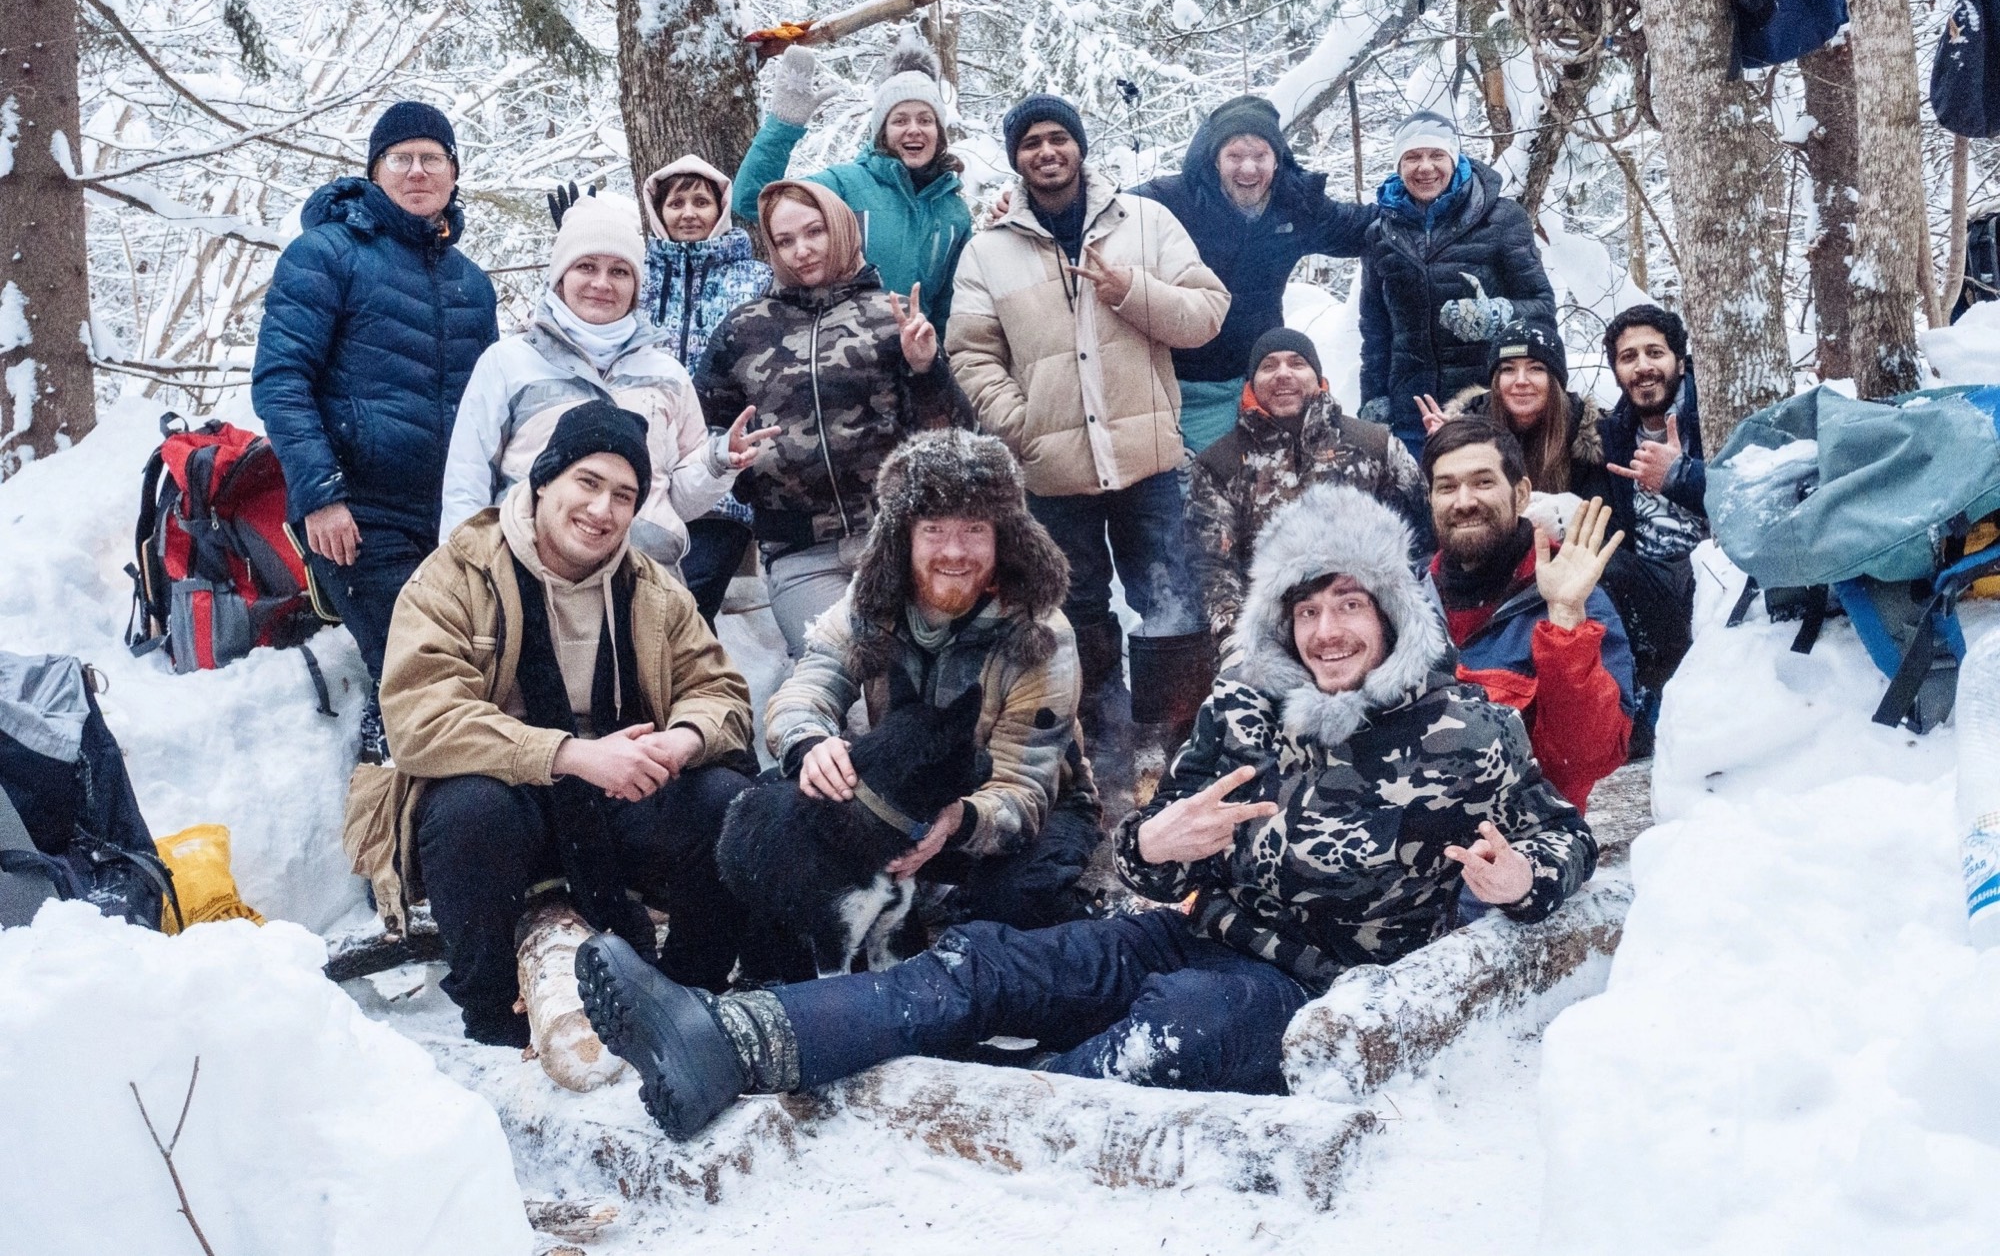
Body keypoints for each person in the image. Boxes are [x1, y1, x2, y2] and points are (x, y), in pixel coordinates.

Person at [570, 483, 1596, 1138]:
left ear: (1386, 613)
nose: (1327, 631)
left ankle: (956, 1130)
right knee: (984, 963)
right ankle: (726, 1038)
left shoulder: (1462, 726)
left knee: (1155, 1038)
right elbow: (1147, 867)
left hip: (1301, 988)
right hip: (1180, 935)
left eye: (1348, 607)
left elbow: (1563, 837)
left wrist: (1520, 880)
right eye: (1307, 609)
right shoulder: (1243, 708)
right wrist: (1156, 840)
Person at [357, 401, 758, 1047]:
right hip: (507, 796)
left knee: (727, 800)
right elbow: (420, 716)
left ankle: (688, 987)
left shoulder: (650, 586)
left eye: (623, 495)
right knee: (466, 810)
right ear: (544, 480)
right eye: (588, 483)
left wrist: (677, 740)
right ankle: (493, 1014)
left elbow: (723, 694)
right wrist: (569, 753)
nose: (603, 510)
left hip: (615, 794)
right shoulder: (460, 571)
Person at [946, 94, 1228, 722]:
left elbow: (1208, 312)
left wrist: (1131, 291)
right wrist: (1024, 427)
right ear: (1017, 159)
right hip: (1053, 471)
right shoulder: (987, 250)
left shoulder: (1146, 223)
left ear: (1079, 146)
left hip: (1148, 461)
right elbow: (970, 354)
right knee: (1074, 613)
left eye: (1058, 138)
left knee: (1171, 603)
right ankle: (1104, 743)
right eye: (1031, 143)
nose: (1047, 152)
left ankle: (1179, 736)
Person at [764, 430, 1100, 933]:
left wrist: (955, 823)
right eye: (934, 530)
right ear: (904, 537)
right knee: (779, 818)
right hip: (902, 800)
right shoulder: (870, 606)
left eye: (974, 529)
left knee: (1013, 906)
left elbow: (1024, 786)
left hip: (1019, 809)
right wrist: (809, 743)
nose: (954, 552)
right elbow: (810, 683)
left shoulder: (1042, 633)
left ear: (1003, 538)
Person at [253, 101, 498, 761]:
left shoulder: (472, 285)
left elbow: (489, 404)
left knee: (489, 662)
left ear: (453, 173)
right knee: (416, 664)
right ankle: (390, 825)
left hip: (451, 516)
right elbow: (282, 379)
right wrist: (321, 495)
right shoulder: (324, 254)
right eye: (401, 158)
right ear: (374, 171)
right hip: (359, 513)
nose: (417, 170)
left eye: (432, 157)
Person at [696, 180, 972, 659]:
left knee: (904, 678)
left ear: (841, 229)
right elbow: (705, 431)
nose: (801, 251)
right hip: (797, 551)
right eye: (785, 241)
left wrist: (927, 369)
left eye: (814, 232)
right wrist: (731, 459)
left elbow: (954, 438)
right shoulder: (743, 330)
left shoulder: (892, 317)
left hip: (891, 538)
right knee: (827, 672)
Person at [440, 192, 775, 571]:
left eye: (619, 271)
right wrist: (462, 572)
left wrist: (716, 463)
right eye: (586, 266)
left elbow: (675, 501)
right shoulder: (509, 362)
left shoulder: (667, 373)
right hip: (529, 573)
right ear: (560, 276)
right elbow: (466, 483)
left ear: (637, 285)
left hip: (644, 578)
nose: (602, 283)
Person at [1131, 95, 1376, 453]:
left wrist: (1427, 198)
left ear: (1277, 160)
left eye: (1260, 156)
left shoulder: (1295, 204)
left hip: (1261, 381)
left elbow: (1364, 227)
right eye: (1234, 156)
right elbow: (1103, 215)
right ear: (1215, 160)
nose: (1248, 169)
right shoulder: (1173, 200)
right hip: (1187, 387)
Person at [1421, 416, 1634, 811]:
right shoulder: (1404, 601)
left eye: (1483, 482)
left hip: (1528, 833)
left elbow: (1588, 759)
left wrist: (1566, 621)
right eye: (1446, 487)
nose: (1464, 501)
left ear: (1520, 495)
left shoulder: (1576, 598)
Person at [1188, 327, 1427, 646]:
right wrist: (1237, 644)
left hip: (1371, 632)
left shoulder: (1375, 445)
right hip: (1267, 640)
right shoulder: (1219, 464)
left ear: (1318, 377)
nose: (1283, 374)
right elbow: (1212, 568)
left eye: (1297, 363)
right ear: (1251, 384)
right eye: (1268, 366)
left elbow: (1423, 538)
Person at [732, 30, 971, 335]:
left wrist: (936, 365)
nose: (914, 130)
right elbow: (752, 200)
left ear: (939, 132)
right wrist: (783, 126)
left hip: (913, 365)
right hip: (844, 356)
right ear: (881, 132)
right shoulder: (844, 184)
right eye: (900, 120)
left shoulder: (955, 212)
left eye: (925, 120)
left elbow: (949, 307)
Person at [1358, 110, 1556, 454]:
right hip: (1411, 411)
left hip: (1486, 405)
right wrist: (1374, 397)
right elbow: (1375, 329)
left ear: (1454, 158)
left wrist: (1496, 315)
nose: (1425, 167)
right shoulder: (1380, 233)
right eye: (1412, 157)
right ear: (1398, 164)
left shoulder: (1500, 218)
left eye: (1437, 155)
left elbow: (1542, 307)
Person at [636, 154, 773, 624]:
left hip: (721, 483)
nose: (689, 213)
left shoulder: (756, 278)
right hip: (643, 479)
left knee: (686, 605)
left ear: (721, 209)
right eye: (676, 203)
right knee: (642, 607)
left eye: (701, 201)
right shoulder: (636, 276)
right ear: (658, 210)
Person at [1597, 304, 1709, 755]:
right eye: (1628, 357)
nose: (1643, 367)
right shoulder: (1614, 432)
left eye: (1654, 353)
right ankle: (1631, 704)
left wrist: (1681, 475)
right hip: (1648, 579)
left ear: (1679, 361)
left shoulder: (1710, 411)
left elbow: (1750, 493)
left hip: (1715, 568)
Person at [1415, 319, 1612, 500]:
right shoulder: (1471, 420)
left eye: (1536, 368)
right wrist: (1446, 451)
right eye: (1508, 369)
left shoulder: (1585, 431)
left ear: (1555, 382)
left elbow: (1601, 515)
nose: (1521, 381)